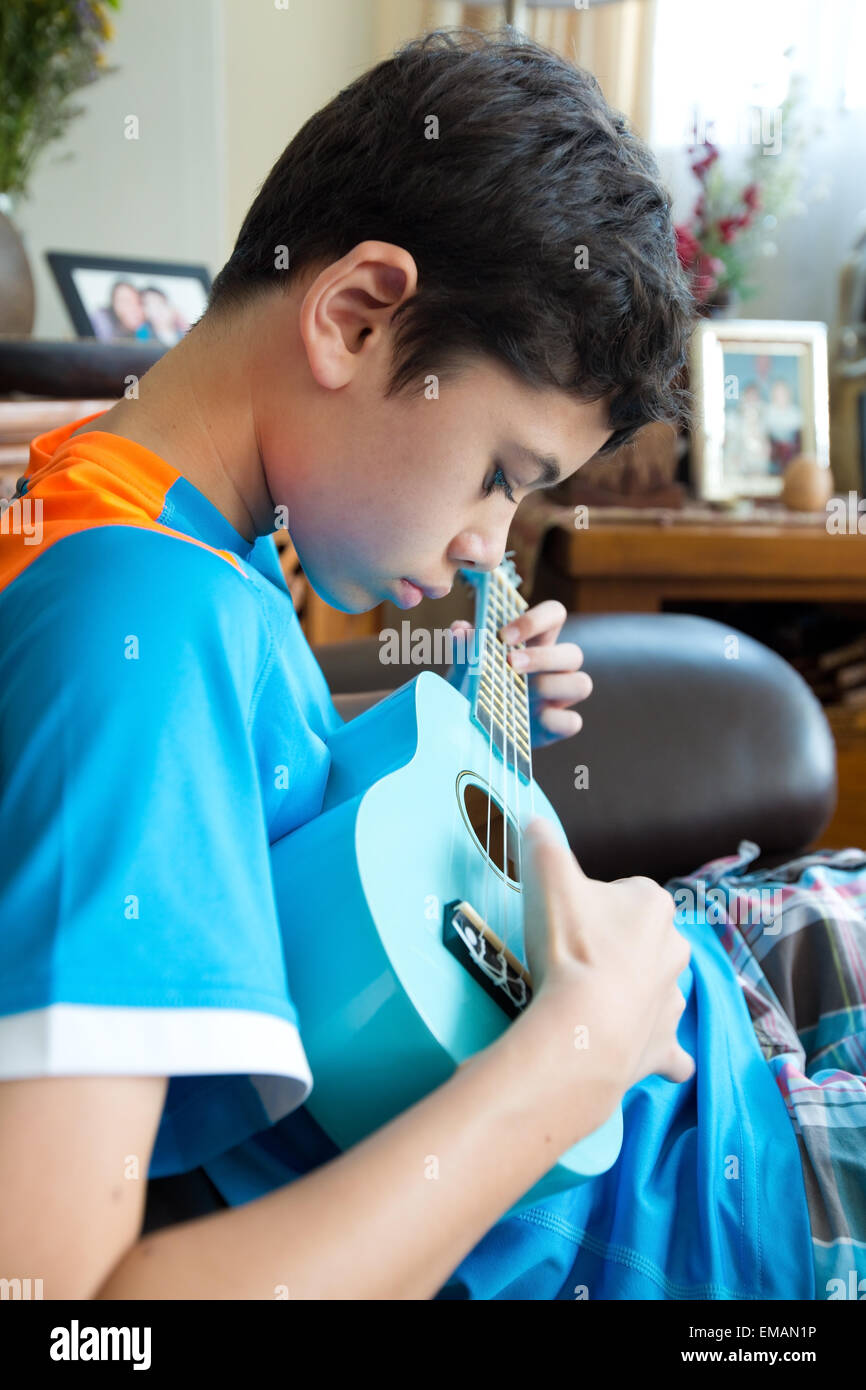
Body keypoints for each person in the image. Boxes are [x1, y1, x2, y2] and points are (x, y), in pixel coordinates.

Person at [1, 28, 856, 1303]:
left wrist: (449, 727)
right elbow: (64, 1310)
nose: (484, 545)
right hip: (724, 1179)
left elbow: (245, 828)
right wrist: (572, 1052)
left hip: (715, 1012)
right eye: (499, 475)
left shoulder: (152, 524)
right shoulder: (138, 626)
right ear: (352, 315)